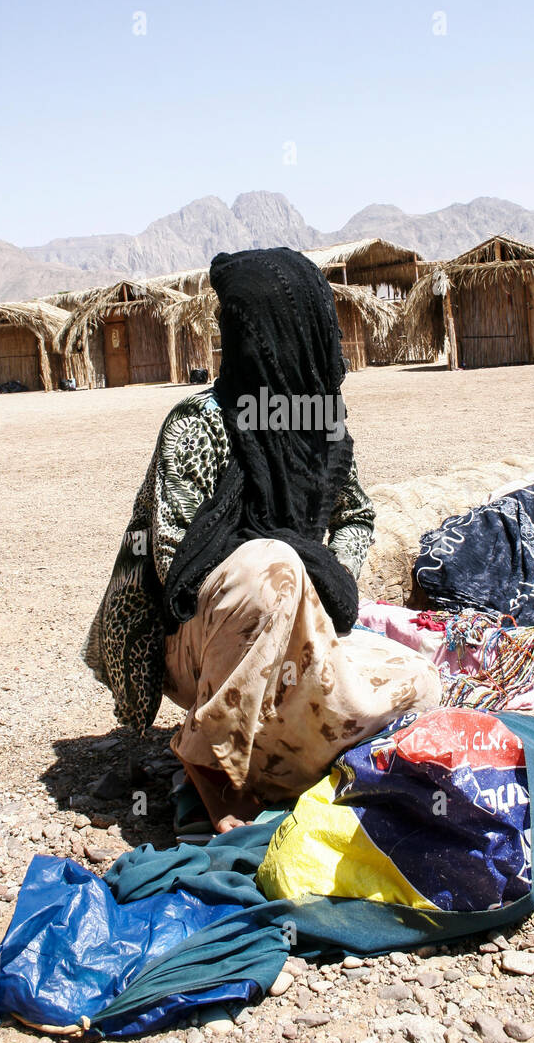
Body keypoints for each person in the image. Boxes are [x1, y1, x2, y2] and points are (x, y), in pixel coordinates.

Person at [84, 248, 442, 832]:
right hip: (202, 643)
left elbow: (355, 517)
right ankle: (211, 769)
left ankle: (280, 750)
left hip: (293, 621)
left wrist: (325, 578)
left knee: (419, 685)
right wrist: (293, 561)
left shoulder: (316, 419)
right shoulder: (195, 423)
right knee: (272, 565)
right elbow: (180, 566)